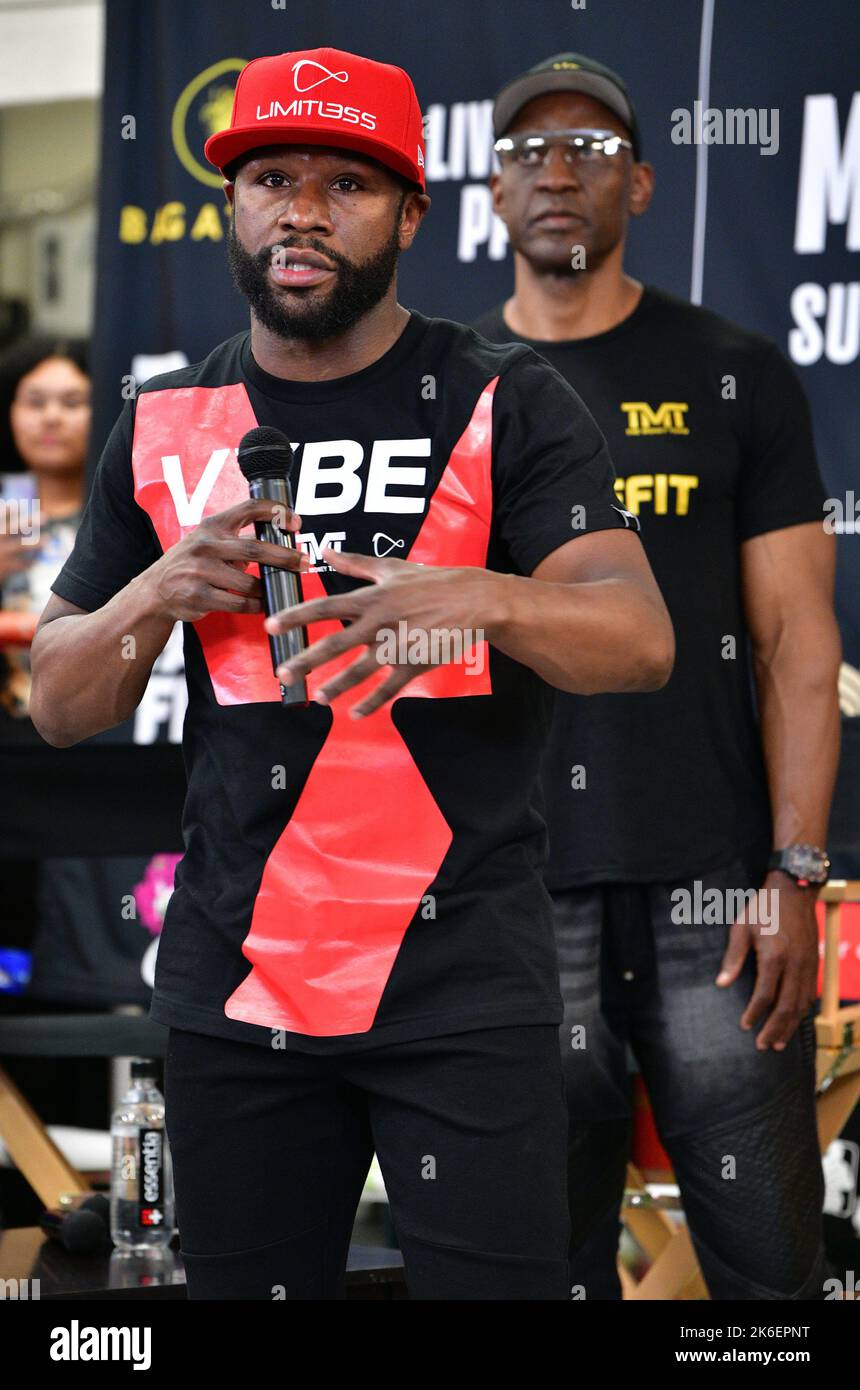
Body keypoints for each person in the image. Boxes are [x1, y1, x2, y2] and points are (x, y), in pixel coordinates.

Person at [30, 46, 673, 1301]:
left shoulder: (503, 396)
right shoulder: (165, 422)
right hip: (240, 976)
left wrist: (472, 595)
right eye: (272, 176)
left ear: (411, 213)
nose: (304, 211)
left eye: (348, 183)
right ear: (233, 202)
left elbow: (641, 640)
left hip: (459, 980)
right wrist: (159, 589)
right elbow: (61, 702)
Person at [473, 52, 841, 1300]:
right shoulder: (448, 383)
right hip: (508, 890)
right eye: (526, 149)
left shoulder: (731, 369)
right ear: (487, 191)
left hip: (710, 887)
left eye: (586, 145)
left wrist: (796, 868)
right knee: (534, 1262)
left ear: (639, 181)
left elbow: (795, 638)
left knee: (765, 1274)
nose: (555, 169)